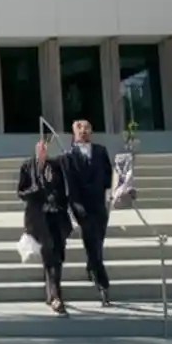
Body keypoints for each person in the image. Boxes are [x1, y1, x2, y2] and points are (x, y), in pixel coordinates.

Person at [62, 118, 114, 306]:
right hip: (81, 205)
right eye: (79, 128)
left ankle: (91, 265)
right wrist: (75, 207)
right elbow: (70, 184)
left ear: (91, 131)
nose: (83, 131)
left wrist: (109, 193)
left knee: (97, 240)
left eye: (86, 128)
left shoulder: (100, 151)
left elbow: (108, 175)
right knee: (92, 239)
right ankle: (103, 285)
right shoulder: (68, 156)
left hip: (99, 204)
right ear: (74, 132)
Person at [18, 139, 72, 316]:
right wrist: (37, 189)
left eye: (45, 150)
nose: (43, 152)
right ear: (35, 150)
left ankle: (53, 295)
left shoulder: (55, 166)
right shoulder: (27, 167)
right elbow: (21, 192)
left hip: (57, 217)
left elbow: (63, 191)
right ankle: (56, 297)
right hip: (39, 219)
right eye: (40, 149)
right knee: (50, 258)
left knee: (57, 257)